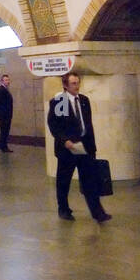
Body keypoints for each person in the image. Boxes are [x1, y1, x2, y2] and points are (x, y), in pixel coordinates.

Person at [47, 72, 111, 223]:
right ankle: (63, 209)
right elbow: (54, 125)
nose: (77, 86)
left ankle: (98, 213)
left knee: (89, 181)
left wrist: (92, 147)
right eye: (73, 83)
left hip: (84, 148)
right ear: (65, 85)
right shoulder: (60, 101)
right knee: (64, 181)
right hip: (67, 149)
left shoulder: (83, 100)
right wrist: (65, 141)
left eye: (78, 83)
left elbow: (87, 125)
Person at [0, 74, 14, 152]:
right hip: (4, 115)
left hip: (6, 115)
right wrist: (2, 115)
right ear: (2, 81)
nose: (7, 81)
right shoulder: (1, 90)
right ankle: (3, 146)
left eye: (8, 80)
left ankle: (2, 145)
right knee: (4, 131)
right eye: (6, 80)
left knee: (5, 131)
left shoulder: (5, 89)